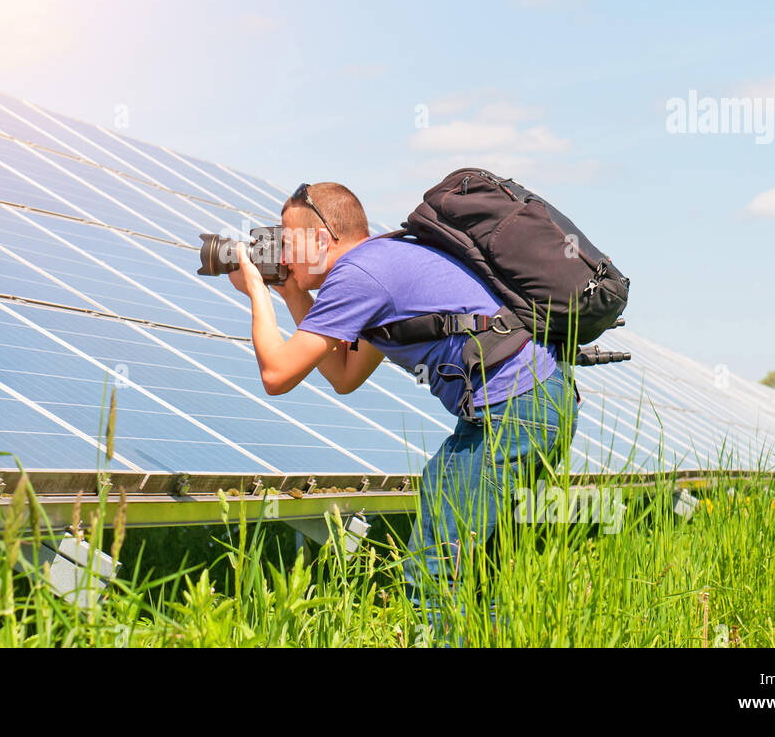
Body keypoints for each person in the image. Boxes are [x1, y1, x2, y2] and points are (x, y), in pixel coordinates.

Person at [227, 181, 579, 636]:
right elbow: (345, 376)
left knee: (434, 573)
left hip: (511, 411)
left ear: (322, 239)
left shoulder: (358, 275)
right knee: (479, 577)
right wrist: (292, 293)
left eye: (287, 241)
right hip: (541, 401)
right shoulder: (384, 260)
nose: (281, 253)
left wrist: (256, 290)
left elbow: (276, 375)